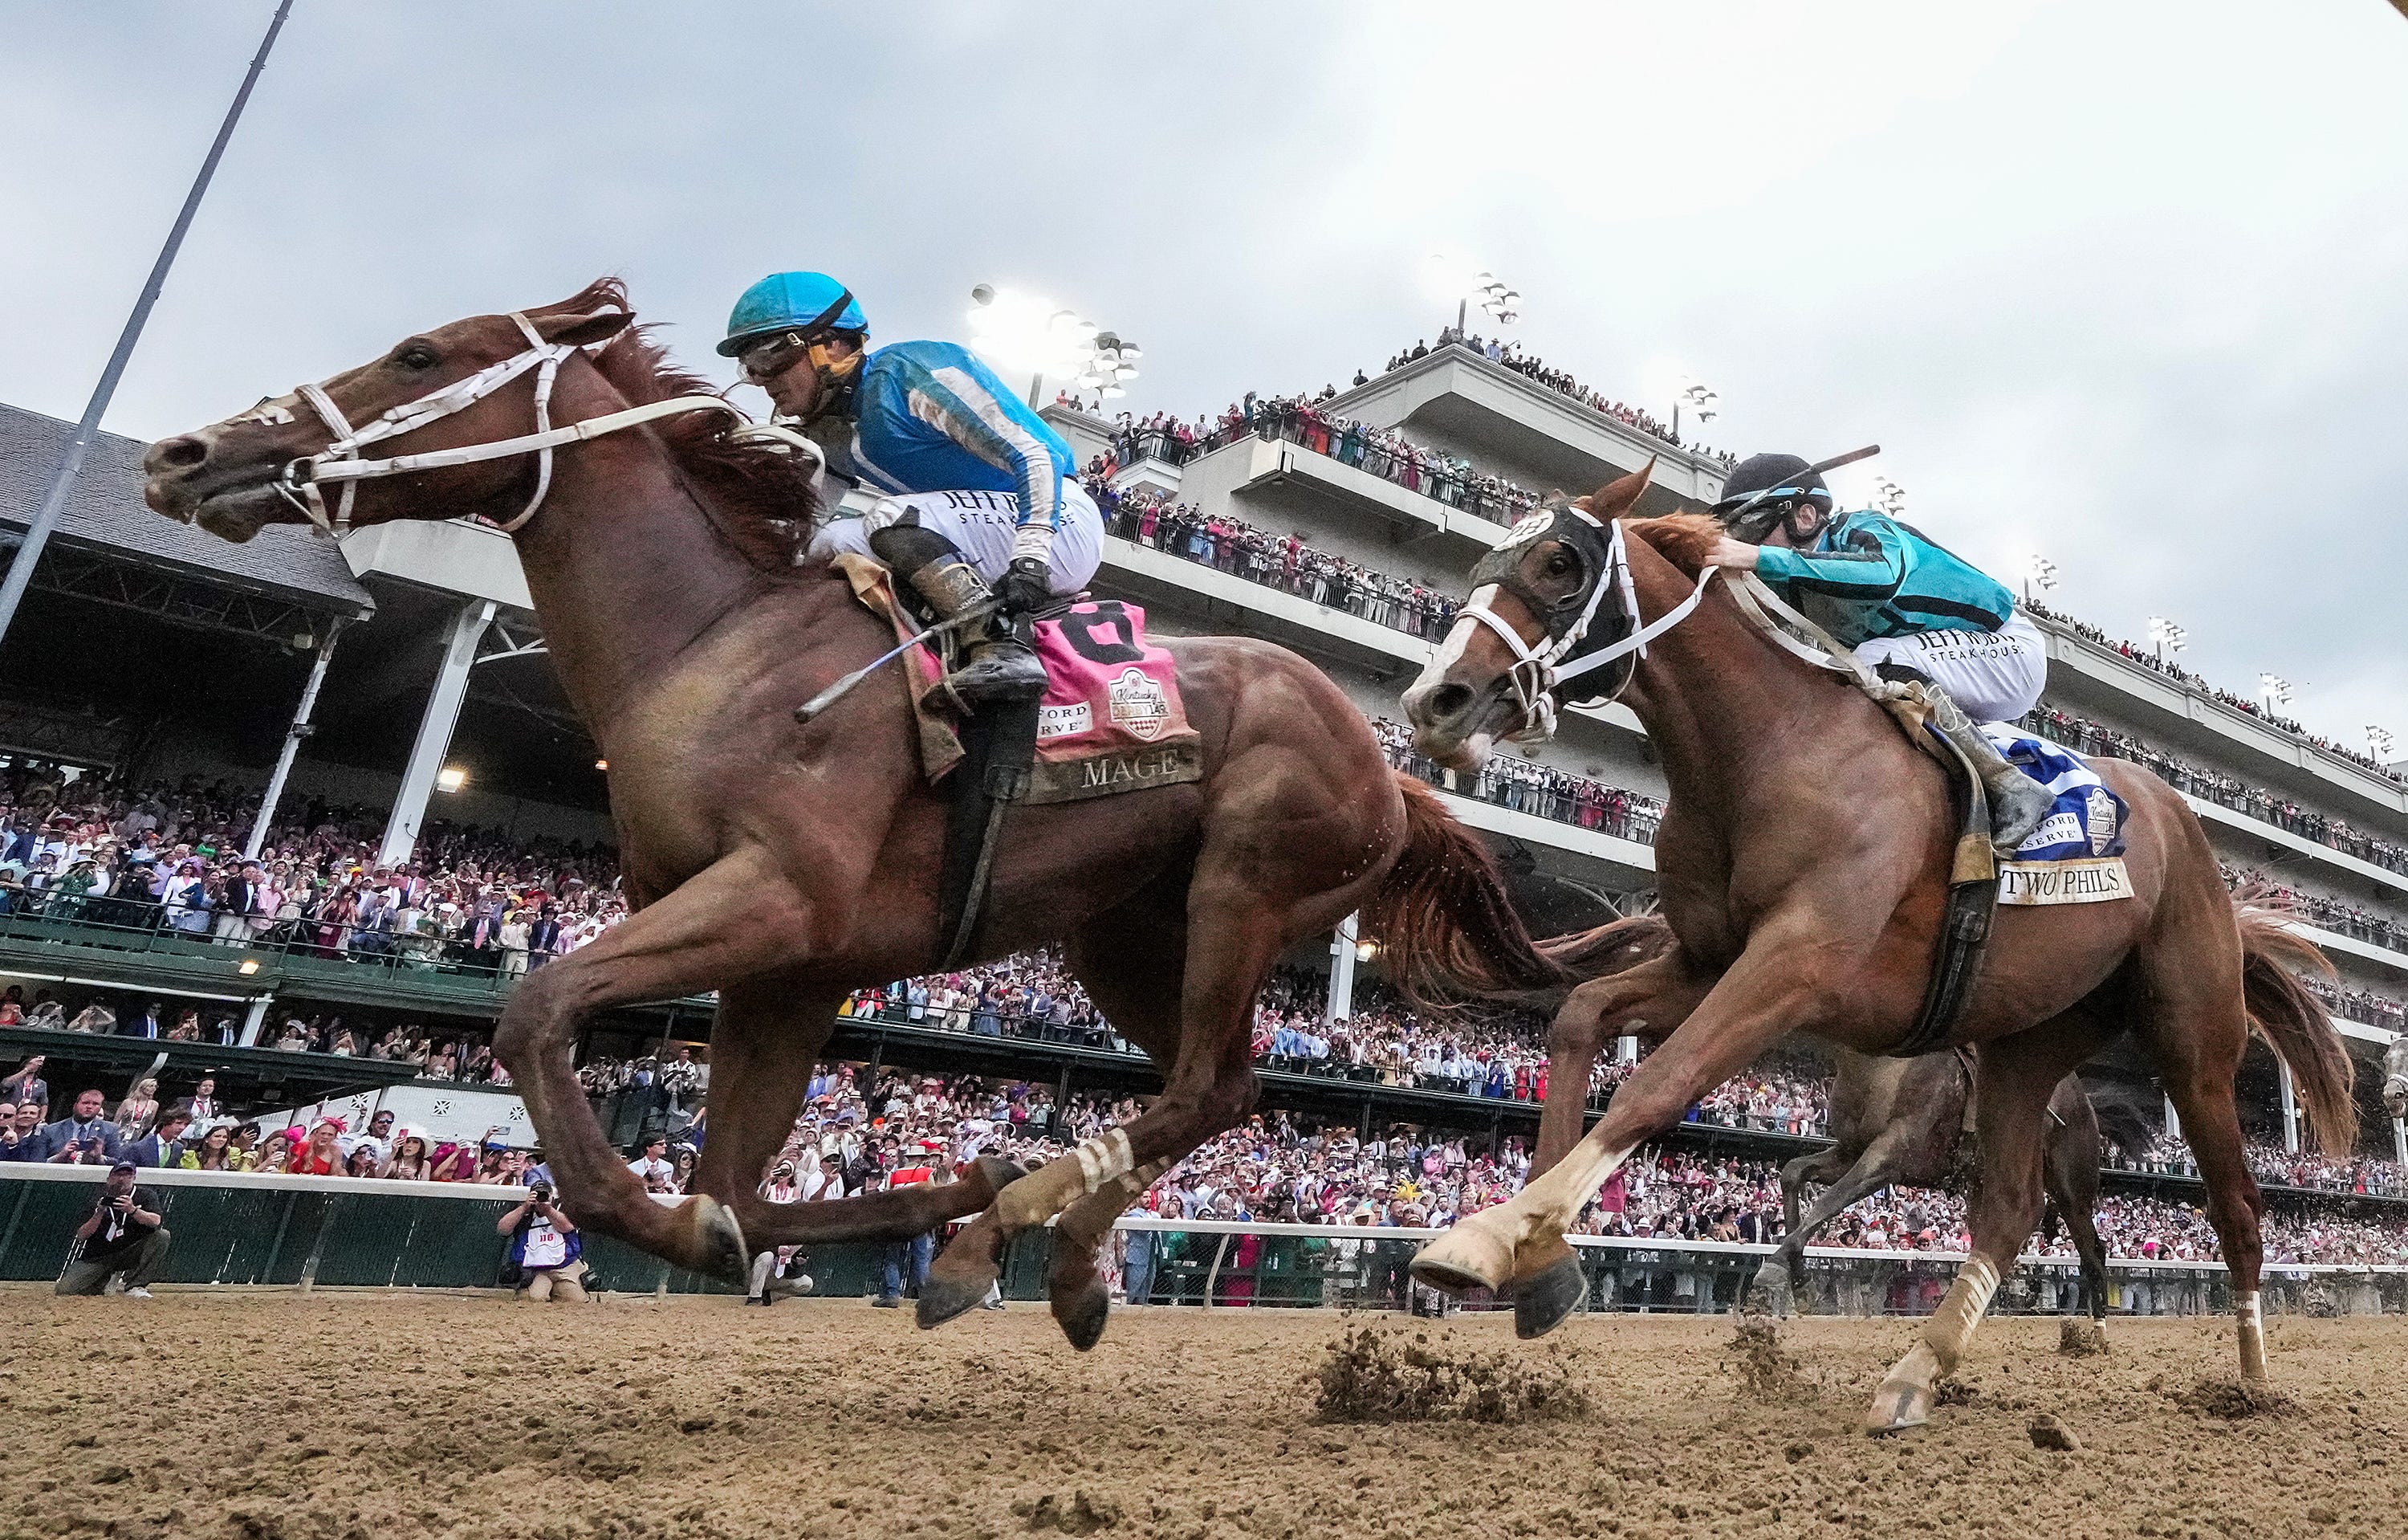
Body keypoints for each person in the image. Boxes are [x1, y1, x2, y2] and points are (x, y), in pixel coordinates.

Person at [718, 271, 1104, 707]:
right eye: (749, 366)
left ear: (834, 345)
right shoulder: (824, 431)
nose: (762, 378)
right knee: (823, 545)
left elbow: (1038, 456)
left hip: (1057, 523)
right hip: (978, 528)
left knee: (890, 516)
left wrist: (1031, 558)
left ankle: (1002, 646)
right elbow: (802, 527)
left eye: (771, 356)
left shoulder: (908, 372)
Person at [1704, 452, 2054, 850]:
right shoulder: (1785, 581)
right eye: (1733, 533)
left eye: (1750, 527)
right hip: (1946, 665)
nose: (1742, 542)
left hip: (2009, 650)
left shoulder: (1864, 526)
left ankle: (2011, 786)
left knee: (1874, 657)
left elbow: (1883, 576)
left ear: (1804, 516)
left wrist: (1757, 557)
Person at [57, 1161, 170, 1297]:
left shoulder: (145, 1195)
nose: (122, 1179)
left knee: (162, 1236)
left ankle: (136, 1285)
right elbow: (82, 1235)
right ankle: (102, 1281)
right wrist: (99, 1213)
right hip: (98, 1256)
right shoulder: (96, 1197)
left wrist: (133, 1211)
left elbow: (155, 1221)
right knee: (64, 1289)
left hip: (130, 1250)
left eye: (128, 1174)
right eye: (118, 1174)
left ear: (134, 1177)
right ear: (109, 1179)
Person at [497, 1181, 586, 1302]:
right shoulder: (524, 1211)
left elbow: (567, 1227)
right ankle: (548, 1290)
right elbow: (502, 1229)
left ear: (551, 1195)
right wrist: (524, 1207)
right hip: (535, 1269)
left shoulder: (562, 1207)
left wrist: (548, 1210)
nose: (541, 1198)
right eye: (537, 1194)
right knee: (532, 1298)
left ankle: (558, 1289)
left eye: (545, 1194)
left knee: (577, 1300)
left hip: (565, 1265)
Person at [35, 1087, 120, 1164]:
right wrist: (60, 1156)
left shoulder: (111, 1130)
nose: (89, 1107)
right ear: (75, 1105)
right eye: (85, 1103)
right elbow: (37, 1162)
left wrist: (99, 1157)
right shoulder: (50, 1130)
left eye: (95, 1104)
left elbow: (117, 1162)